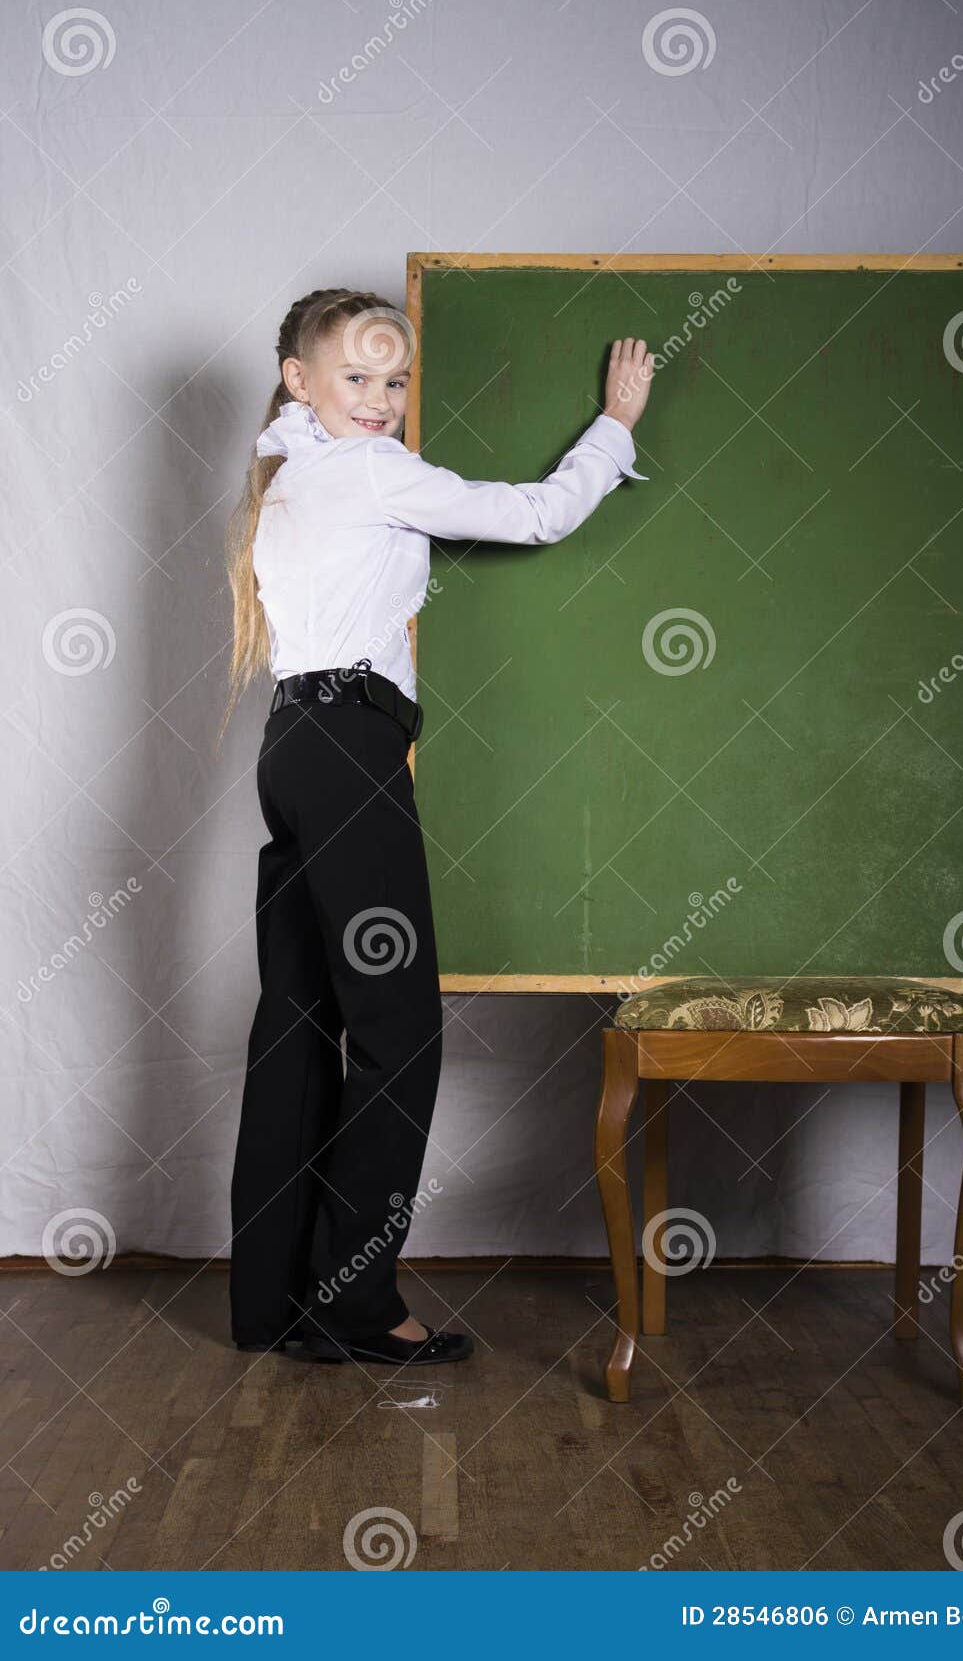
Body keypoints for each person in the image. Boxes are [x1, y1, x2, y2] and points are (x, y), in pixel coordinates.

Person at [220, 287, 653, 1367]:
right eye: (356, 378)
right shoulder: (366, 473)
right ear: (299, 378)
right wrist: (616, 427)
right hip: (350, 756)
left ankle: (273, 1300)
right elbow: (540, 513)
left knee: (298, 1022)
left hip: (293, 752)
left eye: (396, 380)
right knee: (399, 1030)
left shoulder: (281, 478)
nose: (379, 399)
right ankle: (354, 1305)